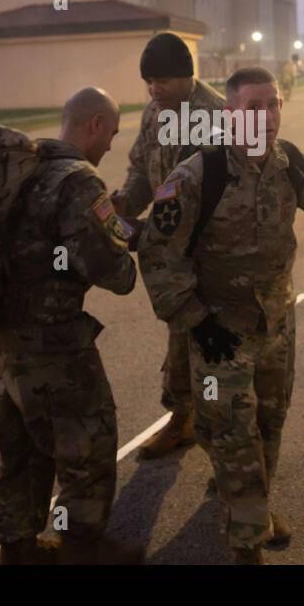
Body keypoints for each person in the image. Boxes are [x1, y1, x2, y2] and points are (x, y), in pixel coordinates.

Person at [139, 66, 304, 563]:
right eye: (254, 107)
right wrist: (195, 321)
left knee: (271, 421)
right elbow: (158, 255)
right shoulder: (198, 174)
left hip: (276, 322)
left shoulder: (291, 164)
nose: (268, 115)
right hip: (218, 330)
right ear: (230, 114)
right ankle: (246, 544)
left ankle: (249, 507)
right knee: (232, 432)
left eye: (273, 104)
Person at [0, 88, 141, 564]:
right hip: (54, 348)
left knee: (14, 452)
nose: (110, 145)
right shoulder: (78, 181)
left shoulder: (21, 169)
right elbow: (111, 269)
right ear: (92, 124)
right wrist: (129, 263)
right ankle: (82, 544)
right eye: (110, 133)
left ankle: (17, 548)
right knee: (88, 443)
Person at [111, 32, 225, 459]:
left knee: (215, 344)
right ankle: (183, 419)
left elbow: (207, 192)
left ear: (186, 77)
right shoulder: (155, 113)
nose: (154, 89)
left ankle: (230, 452)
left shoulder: (214, 115)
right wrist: (126, 202)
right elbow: (142, 167)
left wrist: (152, 226)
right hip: (173, 252)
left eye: (162, 80)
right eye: (149, 82)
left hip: (212, 252)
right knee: (181, 331)